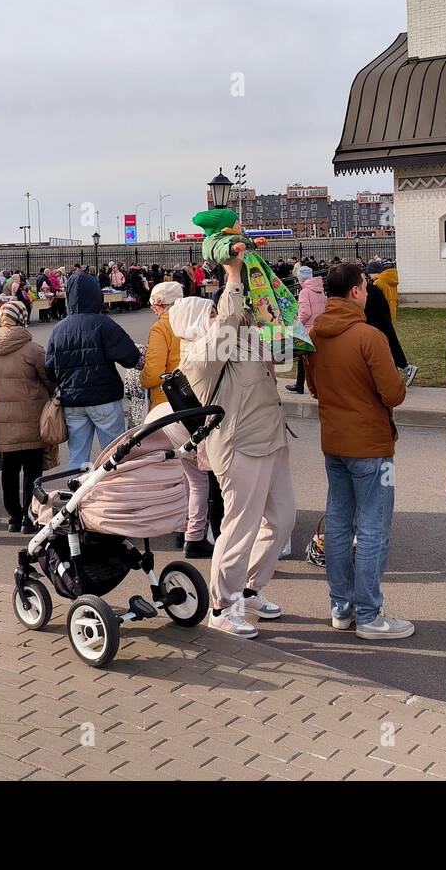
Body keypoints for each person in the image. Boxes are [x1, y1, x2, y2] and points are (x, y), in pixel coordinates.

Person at [171, 252, 295, 640]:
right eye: (208, 312)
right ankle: (222, 606)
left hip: (271, 438)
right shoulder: (200, 354)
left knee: (282, 519)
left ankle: (250, 589)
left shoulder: (234, 341)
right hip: (241, 445)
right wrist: (233, 274)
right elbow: (226, 319)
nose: (219, 313)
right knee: (239, 527)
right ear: (197, 323)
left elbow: (278, 351)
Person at [306, 263, 411, 639]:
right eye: (365, 287)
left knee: (338, 522)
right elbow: (394, 394)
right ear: (354, 291)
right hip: (371, 445)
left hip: (334, 443)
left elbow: (315, 388)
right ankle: (369, 614)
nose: (367, 292)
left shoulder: (314, 335)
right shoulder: (369, 336)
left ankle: (342, 606)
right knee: (373, 528)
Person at [142, 281, 213, 559]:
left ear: (164, 305)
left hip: (168, 405)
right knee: (197, 476)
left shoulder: (162, 327)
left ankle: (185, 529)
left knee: (188, 476)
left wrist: (143, 380)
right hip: (198, 405)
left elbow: (153, 372)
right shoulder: (200, 323)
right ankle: (194, 531)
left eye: (155, 305)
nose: (153, 310)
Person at [45, 271, 140, 466]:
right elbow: (130, 357)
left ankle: (78, 493)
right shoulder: (103, 324)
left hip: (72, 400)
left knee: (78, 455)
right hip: (104, 397)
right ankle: (112, 492)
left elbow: (49, 369)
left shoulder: (59, 329)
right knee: (113, 453)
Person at [0, 301, 54, 533]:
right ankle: (29, 516)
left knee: (10, 470)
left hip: (2, 422)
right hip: (31, 419)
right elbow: (49, 380)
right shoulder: (33, 350)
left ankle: (13, 516)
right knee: (33, 471)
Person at [365, 275, 415, 386]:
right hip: (384, 318)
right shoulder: (386, 282)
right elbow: (385, 302)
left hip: (376, 321)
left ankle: (402, 370)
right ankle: (403, 369)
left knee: (387, 348)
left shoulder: (374, 286)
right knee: (391, 345)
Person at [286, 265, 325, 394]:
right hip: (319, 328)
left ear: (300, 279)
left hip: (307, 329)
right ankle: (302, 384)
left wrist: (297, 324)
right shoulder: (320, 290)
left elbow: (305, 312)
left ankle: (300, 385)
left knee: (304, 358)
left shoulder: (305, 292)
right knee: (312, 359)